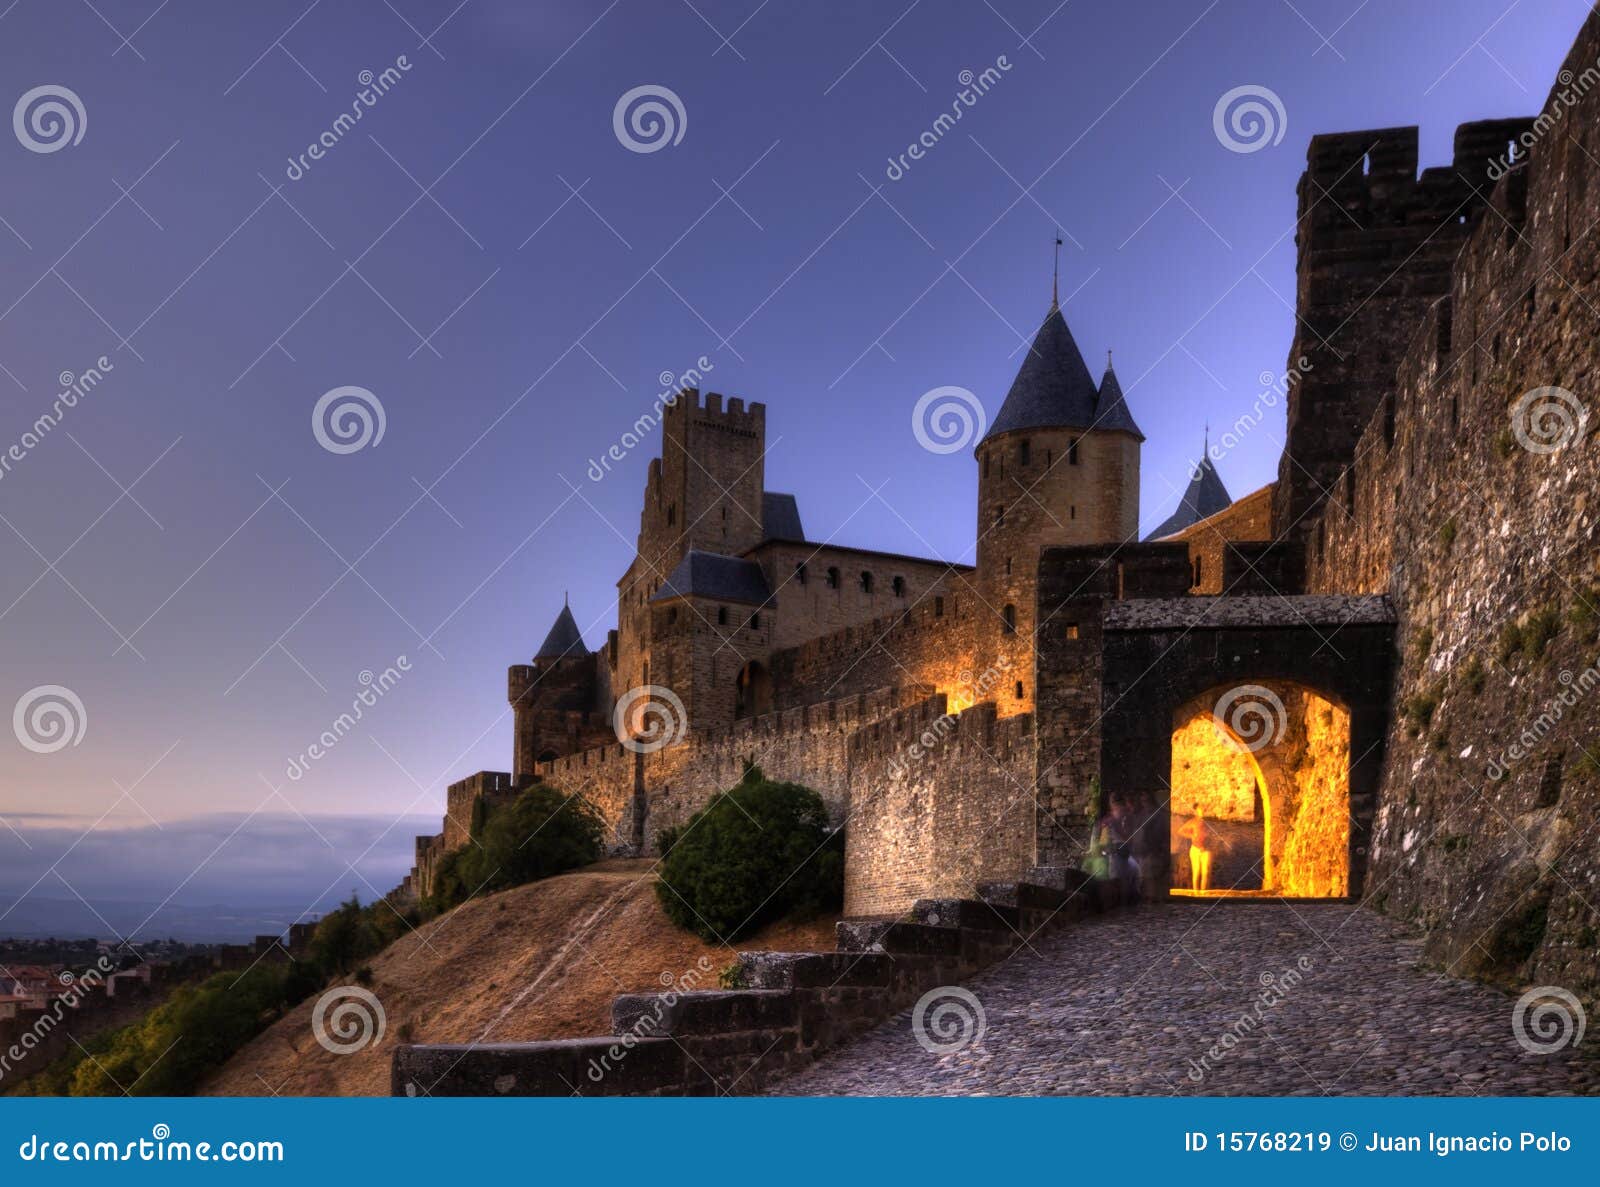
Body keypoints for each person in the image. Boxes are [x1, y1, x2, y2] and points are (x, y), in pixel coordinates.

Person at [1176, 801, 1212, 892]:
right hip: (1195, 849)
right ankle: (1196, 893)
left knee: (1206, 872)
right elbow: (1180, 831)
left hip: (1206, 849)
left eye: (1203, 809)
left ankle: (1203, 894)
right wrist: (1191, 836)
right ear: (1196, 811)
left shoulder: (1208, 822)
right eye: (1200, 809)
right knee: (1196, 871)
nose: (1202, 810)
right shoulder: (1192, 822)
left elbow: (1212, 835)